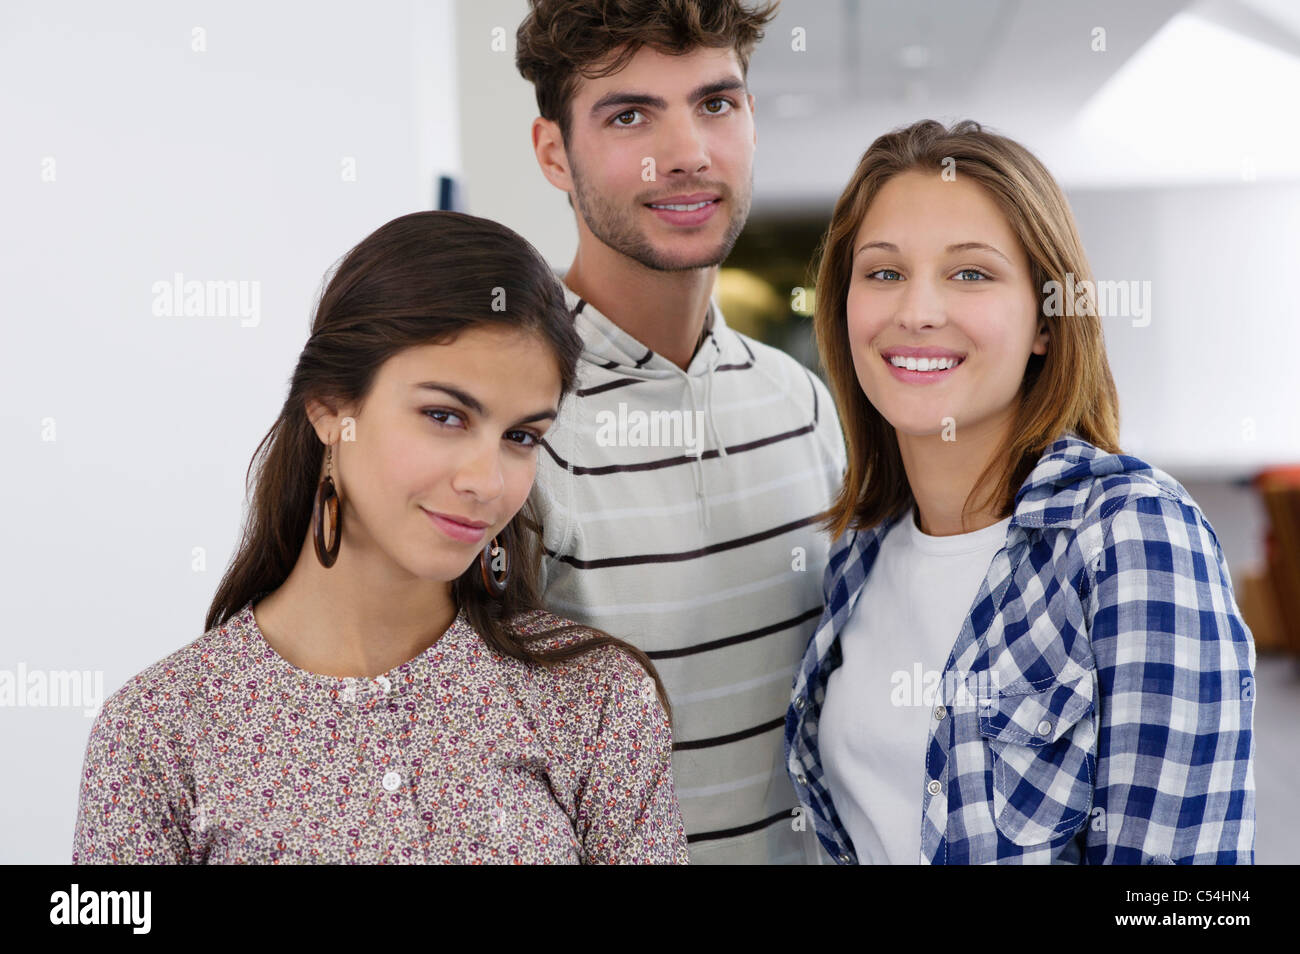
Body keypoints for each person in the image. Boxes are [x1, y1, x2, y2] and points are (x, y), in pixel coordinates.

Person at [71, 211, 689, 864]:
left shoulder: (596, 699)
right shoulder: (155, 735)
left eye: (520, 437)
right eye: (444, 416)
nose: (486, 482)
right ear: (329, 407)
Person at [786, 119, 1257, 864]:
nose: (917, 311)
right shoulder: (858, 557)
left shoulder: (1131, 535)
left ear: (1046, 319)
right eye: (884, 273)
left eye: (971, 274)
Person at [516, 0, 847, 863]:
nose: (688, 153)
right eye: (630, 116)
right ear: (554, 153)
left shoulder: (805, 404)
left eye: (716, 103)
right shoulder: (511, 429)